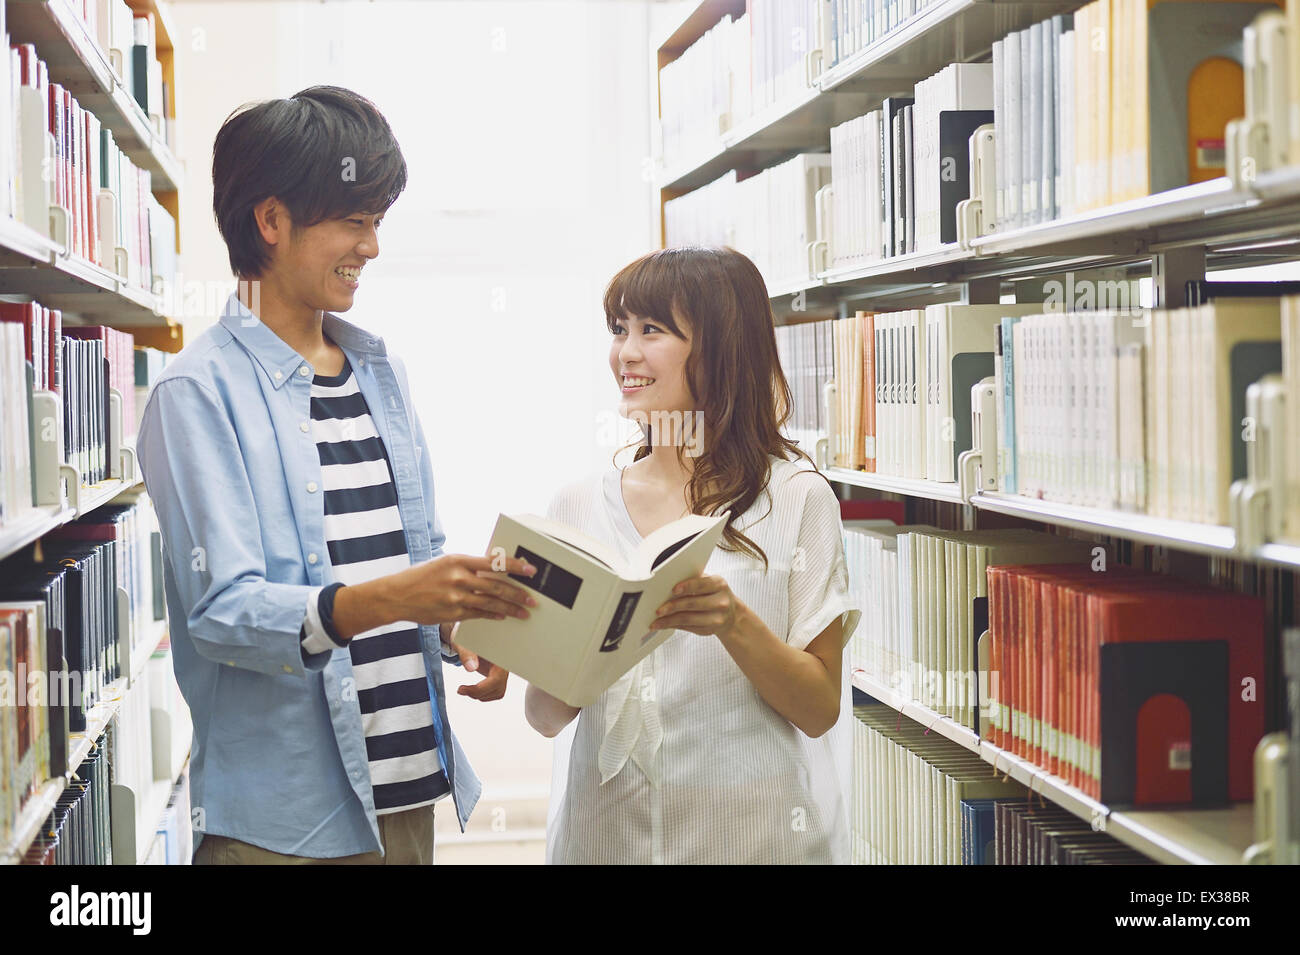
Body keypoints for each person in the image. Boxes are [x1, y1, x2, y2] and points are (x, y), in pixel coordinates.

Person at [136, 86, 537, 865]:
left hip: (409, 793)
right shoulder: (197, 395)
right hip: (286, 828)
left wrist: (461, 623)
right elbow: (223, 611)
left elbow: (403, 556)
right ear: (272, 220)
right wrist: (397, 596)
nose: (373, 247)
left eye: (378, 222)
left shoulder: (379, 374)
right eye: (355, 220)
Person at [524, 246, 862, 864]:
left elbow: (819, 710)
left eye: (651, 330)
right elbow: (545, 718)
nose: (625, 353)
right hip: (608, 834)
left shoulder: (795, 498)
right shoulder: (576, 506)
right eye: (618, 329)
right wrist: (550, 642)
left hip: (751, 837)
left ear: (721, 347)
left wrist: (733, 622)